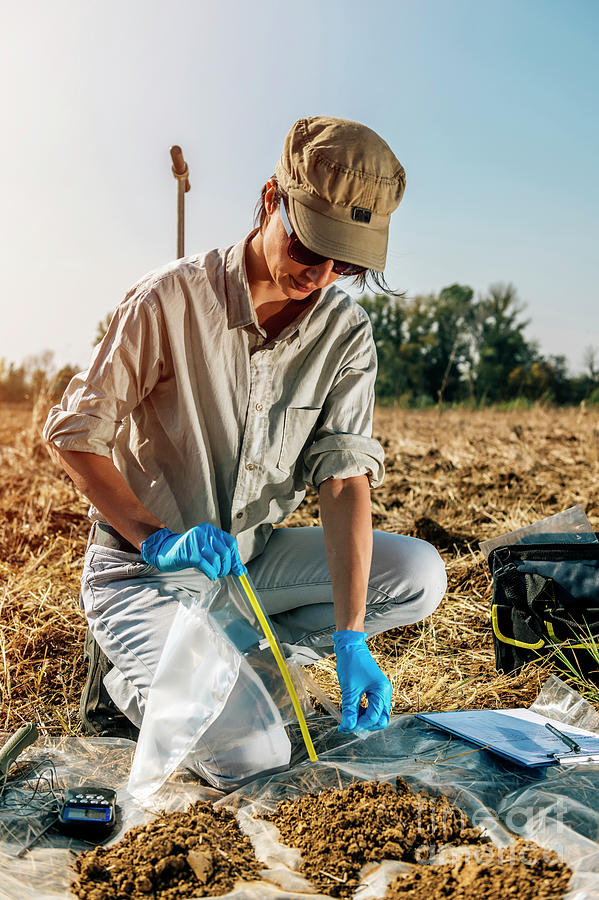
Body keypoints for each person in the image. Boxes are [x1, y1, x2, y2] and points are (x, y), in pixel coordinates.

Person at [44, 116, 446, 788]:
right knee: (255, 756)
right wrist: (152, 538)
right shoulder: (168, 299)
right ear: (270, 200)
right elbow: (74, 439)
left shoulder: (344, 334)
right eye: (308, 248)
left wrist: (350, 637)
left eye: (344, 263)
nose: (319, 276)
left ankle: (235, 658)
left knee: (418, 575)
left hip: (248, 566)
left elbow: (344, 483)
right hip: (148, 573)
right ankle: (133, 688)